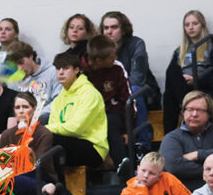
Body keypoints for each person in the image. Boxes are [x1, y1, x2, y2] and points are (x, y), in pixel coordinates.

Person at [159, 91, 213, 190]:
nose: (194, 114)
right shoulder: (172, 138)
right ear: (183, 112)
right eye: (190, 109)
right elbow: (174, 166)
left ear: (209, 114)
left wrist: (198, 155)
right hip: (183, 194)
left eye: (199, 110)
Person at [163, 10, 213, 132]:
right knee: (169, 88)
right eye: (187, 25)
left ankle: (186, 107)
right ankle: (170, 134)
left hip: (205, 85)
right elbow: (172, 75)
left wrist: (196, 79)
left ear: (202, 25)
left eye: (195, 23)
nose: (190, 27)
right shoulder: (179, 50)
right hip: (183, 89)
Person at [45, 52, 109, 168]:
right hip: (68, 143)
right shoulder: (58, 99)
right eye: (58, 68)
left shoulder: (89, 93)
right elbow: (53, 128)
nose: (61, 72)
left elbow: (76, 129)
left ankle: (57, 184)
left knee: (51, 142)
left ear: (76, 70)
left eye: (66, 68)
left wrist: (44, 129)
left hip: (93, 147)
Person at [101, 11, 154, 147]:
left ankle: (143, 145)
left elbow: (137, 78)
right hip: (113, 96)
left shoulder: (136, 44)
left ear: (123, 29)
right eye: (106, 28)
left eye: (114, 27)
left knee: (134, 92)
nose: (109, 32)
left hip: (143, 92)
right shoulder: (100, 50)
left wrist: (116, 93)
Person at [82, 35, 131, 163]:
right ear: (98, 60)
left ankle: (123, 165)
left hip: (110, 112)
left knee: (110, 122)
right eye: (111, 57)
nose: (115, 58)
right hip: (86, 115)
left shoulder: (116, 68)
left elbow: (127, 99)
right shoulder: (79, 71)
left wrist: (127, 130)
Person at [5, 42, 61, 123]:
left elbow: (58, 102)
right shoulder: (13, 80)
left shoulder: (52, 72)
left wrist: (35, 114)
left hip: (45, 118)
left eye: (21, 62)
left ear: (31, 56)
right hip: (21, 120)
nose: (19, 68)